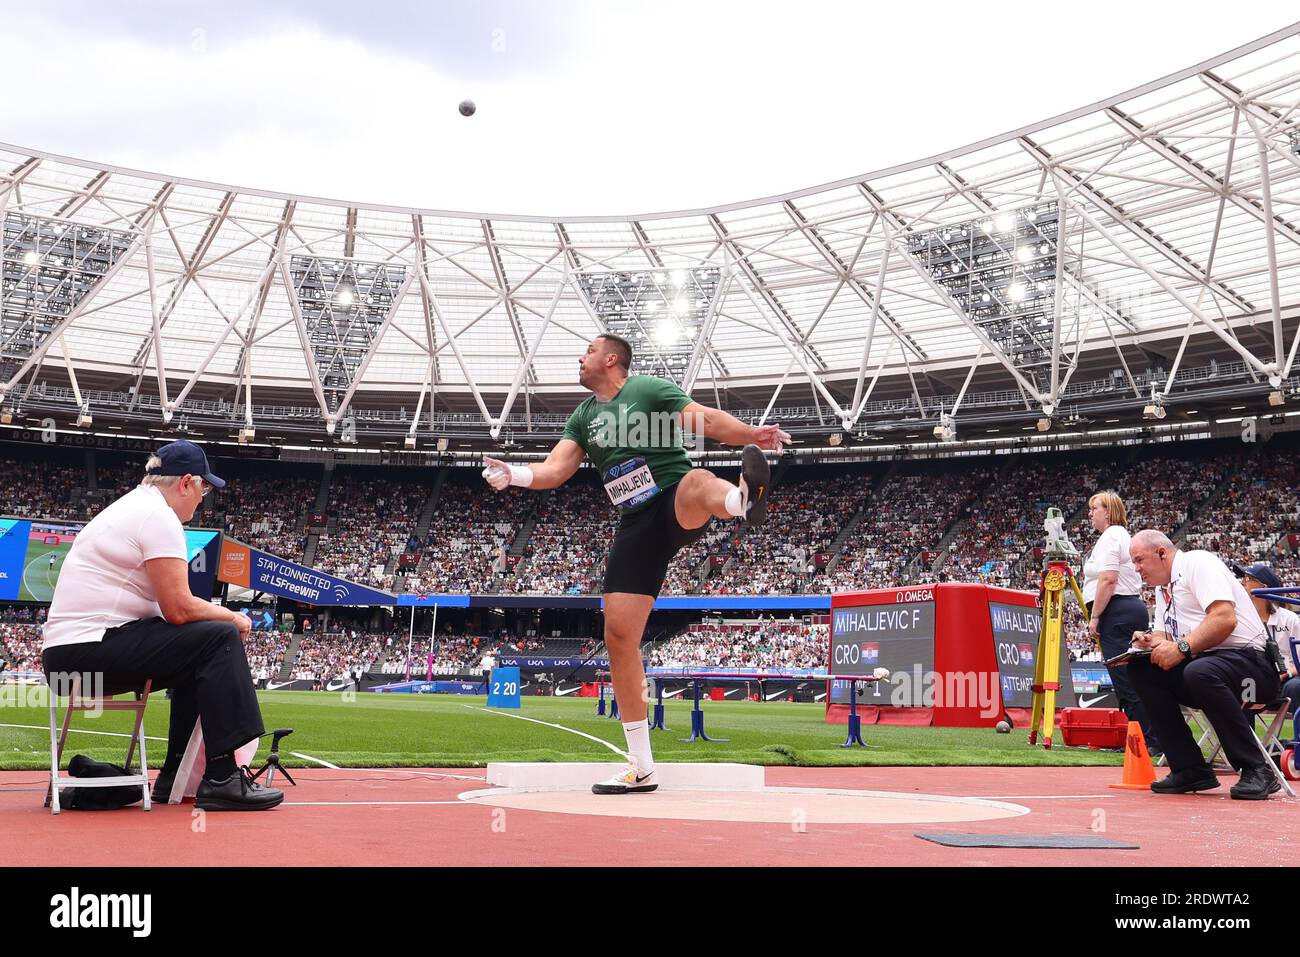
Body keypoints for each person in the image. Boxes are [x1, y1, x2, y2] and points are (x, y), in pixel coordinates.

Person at [482, 333, 789, 794]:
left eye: (586, 350)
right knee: (619, 635)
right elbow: (556, 469)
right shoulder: (583, 417)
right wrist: (516, 474)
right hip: (636, 524)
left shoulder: (647, 391)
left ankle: (741, 499)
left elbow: (704, 420)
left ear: (610, 359)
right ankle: (641, 765)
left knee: (696, 480)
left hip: (673, 501)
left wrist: (752, 435)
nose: (578, 356)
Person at [41, 440, 282, 811]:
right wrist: (234, 617)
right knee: (219, 637)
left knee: (199, 652)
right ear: (186, 482)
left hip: (67, 660)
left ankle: (177, 777)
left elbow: (172, 615)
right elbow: (179, 609)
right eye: (203, 488)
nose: (203, 498)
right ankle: (222, 777)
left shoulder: (129, 508)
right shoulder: (158, 516)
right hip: (89, 651)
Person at [1126, 530, 1281, 800]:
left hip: (1255, 674)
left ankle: (1257, 769)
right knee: (1143, 669)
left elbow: (1224, 618)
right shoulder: (1164, 587)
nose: (1136, 568)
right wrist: (1150, 641)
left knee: (1200, 670)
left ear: (1162, 553)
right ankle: (1190, 768)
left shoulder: (1198, 563)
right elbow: (1167, 636)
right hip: (1209, 670)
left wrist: (1182, 647)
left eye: (1139, 560)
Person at [1080, 491, 1159, 753]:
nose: (1091, 513)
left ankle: (1148, 740)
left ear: (1109, 511)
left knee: (1125, 677)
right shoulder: (1115, 536)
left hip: (1116, 610)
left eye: (1095, 508)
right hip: (1123, 609)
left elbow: (1108, 579)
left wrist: (1096, 617)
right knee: (1127, 677)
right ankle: (1141, 737)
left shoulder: (1112, 535)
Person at [1233, 562, 1300, 723]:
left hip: (1287, 680)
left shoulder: (1289, 619)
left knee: (1295, 687)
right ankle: (1249, 746)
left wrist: (1285, 674)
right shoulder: (1241, 619)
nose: (1242, 583)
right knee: (1242, 688)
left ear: (1264, 587)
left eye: (1248, 579)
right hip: (1257, 679)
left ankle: (1297, 744)